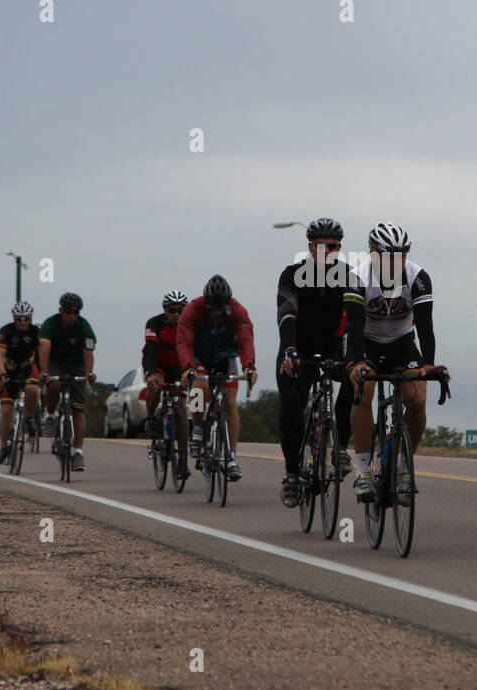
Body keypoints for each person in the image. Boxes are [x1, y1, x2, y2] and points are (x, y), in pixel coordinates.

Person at [348, 222, 441, 502]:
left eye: (401, 255)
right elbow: (353, 325)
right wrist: (355, 363)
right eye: (389, 256)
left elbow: (425, 327)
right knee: (363, 392)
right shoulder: (358, 277)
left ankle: (401, 464)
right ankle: (363, 471)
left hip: (402, 342)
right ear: (373, 255)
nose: (395, 262)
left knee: (418, 399)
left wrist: (427, 364)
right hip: (366, 342)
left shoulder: (417, 277)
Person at [275, 217, 365, 507]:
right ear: (310, 247)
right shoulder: (292, 275)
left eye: (334, 246)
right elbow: (286, 313)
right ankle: (291, 473)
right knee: (290, 406)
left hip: (333, 346)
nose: (327, 250)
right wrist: (289, 349)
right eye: (320, 245)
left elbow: (354, 321)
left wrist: (354, 359)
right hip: (297, 347)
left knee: (357, 375)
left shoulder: (350, 277)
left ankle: (339, 445)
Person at [175, 275, 256, 482]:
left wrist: (248, 366)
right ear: (206, 302)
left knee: (229, 401)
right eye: (213, 308)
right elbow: (183, 340)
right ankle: (199, 428)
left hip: (225, 356)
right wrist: (186, 368)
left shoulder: (238, 311)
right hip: (199, 355)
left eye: (221, 308)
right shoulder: (192, 309)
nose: (217, 312)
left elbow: (246, 339)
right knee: (199, 385)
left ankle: (231, 458)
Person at [38, 292, 96, 472]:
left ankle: (78, 452)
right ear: (60, 310)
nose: (72, 316)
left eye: (75, 313)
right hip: (56, 363)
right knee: (54, 384)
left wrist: (89, 373)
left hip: (76, 365)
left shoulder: (84, 326)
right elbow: (44, 348)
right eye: (68, 312)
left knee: (78, 409)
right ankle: (51, 414)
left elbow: (88, 351)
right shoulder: (50, 324)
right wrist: (44, 372)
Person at [144, 290, 190, 471]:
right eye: (173, 310)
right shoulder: (154, 323)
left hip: (180, 366)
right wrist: (151, 374)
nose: (177, 315)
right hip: (159, 363)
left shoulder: (190, 325)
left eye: (181, 310)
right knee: (154, 386)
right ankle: (150, 419)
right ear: (165, 310)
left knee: (182, 406)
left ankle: (183, 459)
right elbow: (151, 350)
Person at [0, 301, 42, 465]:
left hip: (28, 368)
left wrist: (44, 372)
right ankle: (3, 448)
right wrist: (1, 373)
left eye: (26, 319)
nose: (23, 322)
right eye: (20, 319)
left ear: (30, 319)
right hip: (9, 371)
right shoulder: (6, 331)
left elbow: (42, 353)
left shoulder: (36, 332)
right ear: (15, 318)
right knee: (6, 411)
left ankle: (29, 417)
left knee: (33, 389)